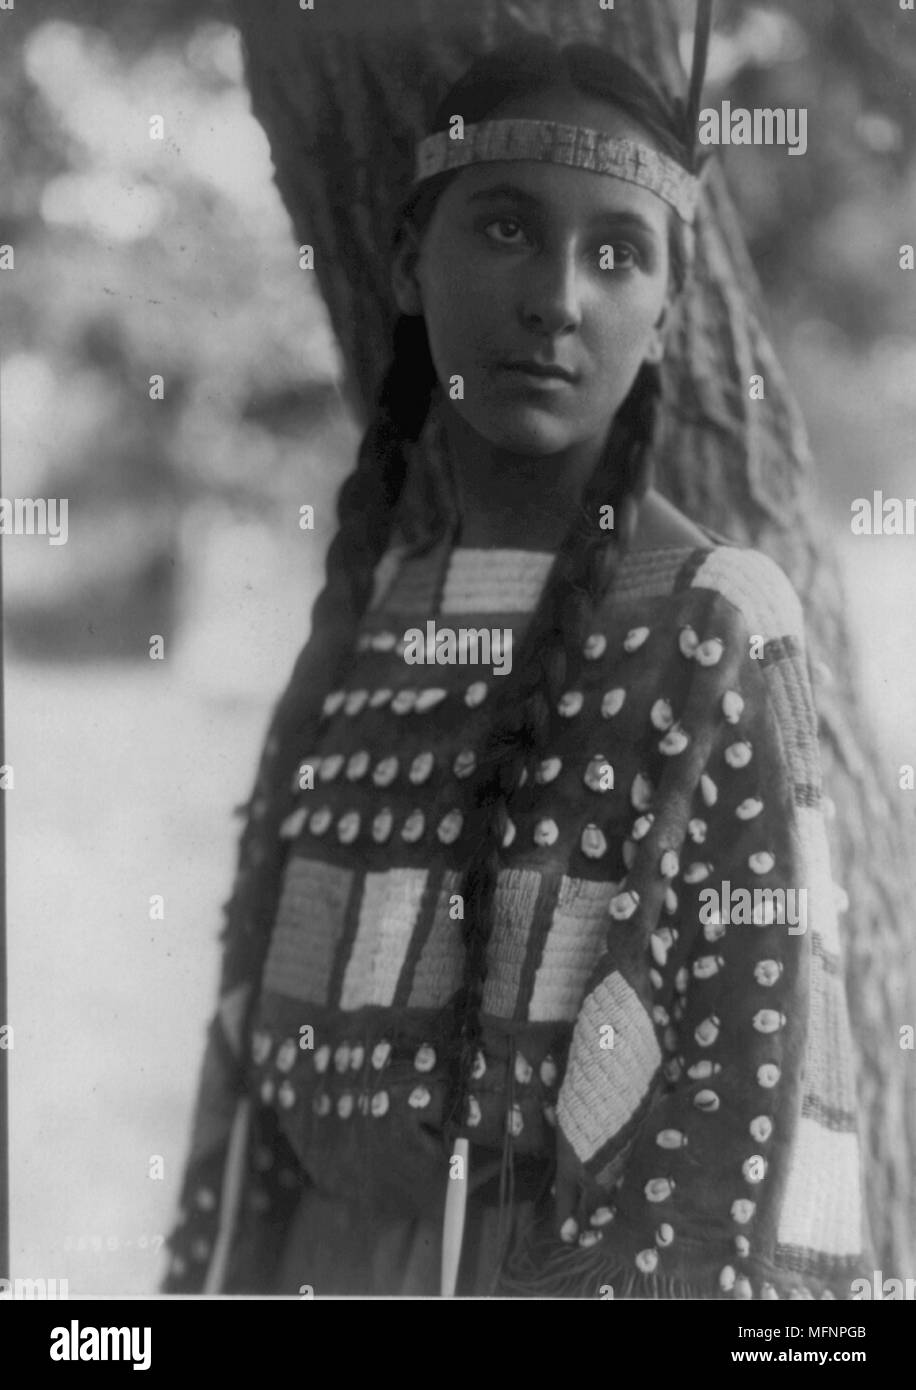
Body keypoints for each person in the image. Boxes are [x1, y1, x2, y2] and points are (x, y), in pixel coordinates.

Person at [162, 35, 868, 1299]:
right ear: (405, 266)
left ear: (664, 310)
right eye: (503, 229)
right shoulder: (365, 621)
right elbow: (244, 1100)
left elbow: (729, 1151)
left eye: (616, 252)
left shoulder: (712, 628)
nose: (557, 296)